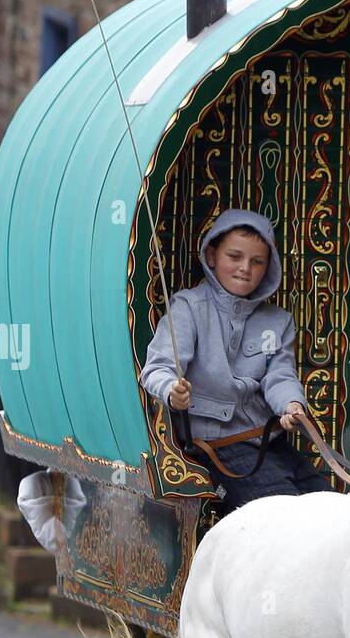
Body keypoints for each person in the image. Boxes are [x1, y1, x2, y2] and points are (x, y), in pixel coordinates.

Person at [140, 208, 330, 513]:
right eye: (234, 257)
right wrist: (172, 390)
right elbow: (157, 368)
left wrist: (292, 406)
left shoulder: (277, 321)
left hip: (269, 442)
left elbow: (279, 376)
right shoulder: (189, 308)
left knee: (329, 507)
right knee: (285, 514)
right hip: (218, 447)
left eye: (257, 262)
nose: (245, 268)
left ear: (268, 267)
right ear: (212, 256)